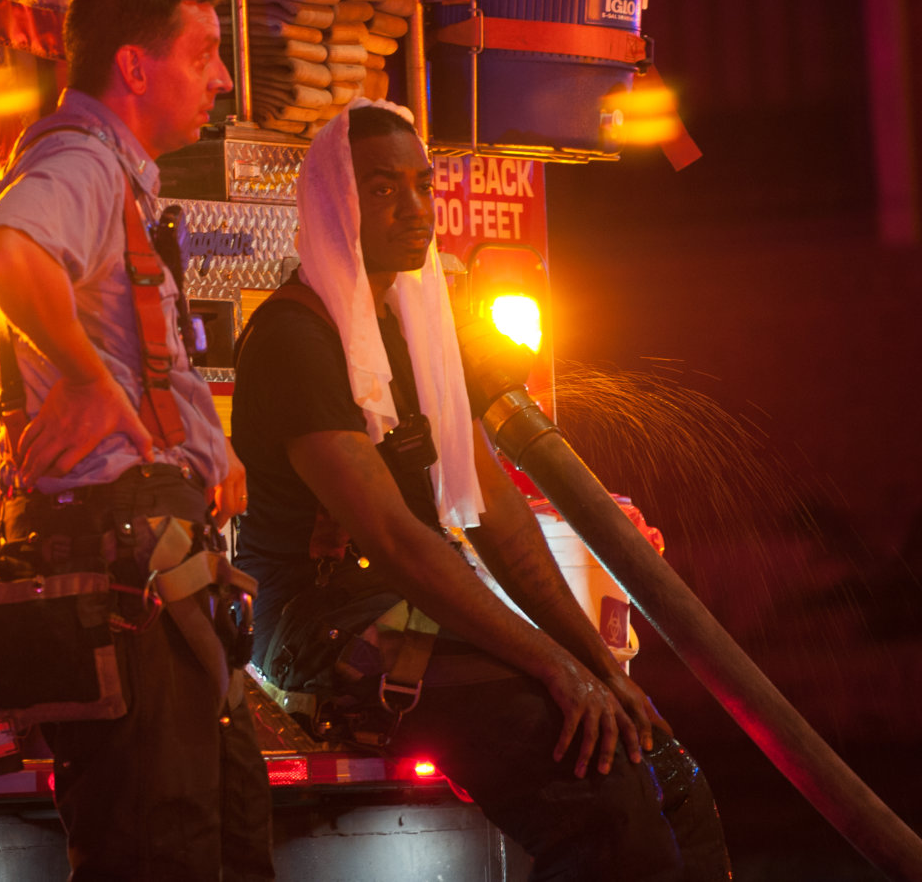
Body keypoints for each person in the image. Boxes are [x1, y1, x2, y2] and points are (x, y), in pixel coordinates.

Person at [231, 101, 730, 881]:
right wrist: (555, 667)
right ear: (334, 204)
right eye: (383, 189)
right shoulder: (295, 340)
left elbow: (497, 513)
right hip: (316, 628)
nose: (415, 208)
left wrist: (593, 661)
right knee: (599, 795)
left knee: (668, 774)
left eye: (422, 185)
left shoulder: (417, 333)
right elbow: (395, 538)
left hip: (408, 609)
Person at [0, 0, 272, 881]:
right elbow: (6, 248)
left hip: (157, 567)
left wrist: (208, 449)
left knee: (221, 840)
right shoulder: (81, 161)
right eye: (203, 52)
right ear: (134, 67)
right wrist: (89, 376)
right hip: (128, 568)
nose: (223, 78)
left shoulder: (114, 174)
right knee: (158, 851)